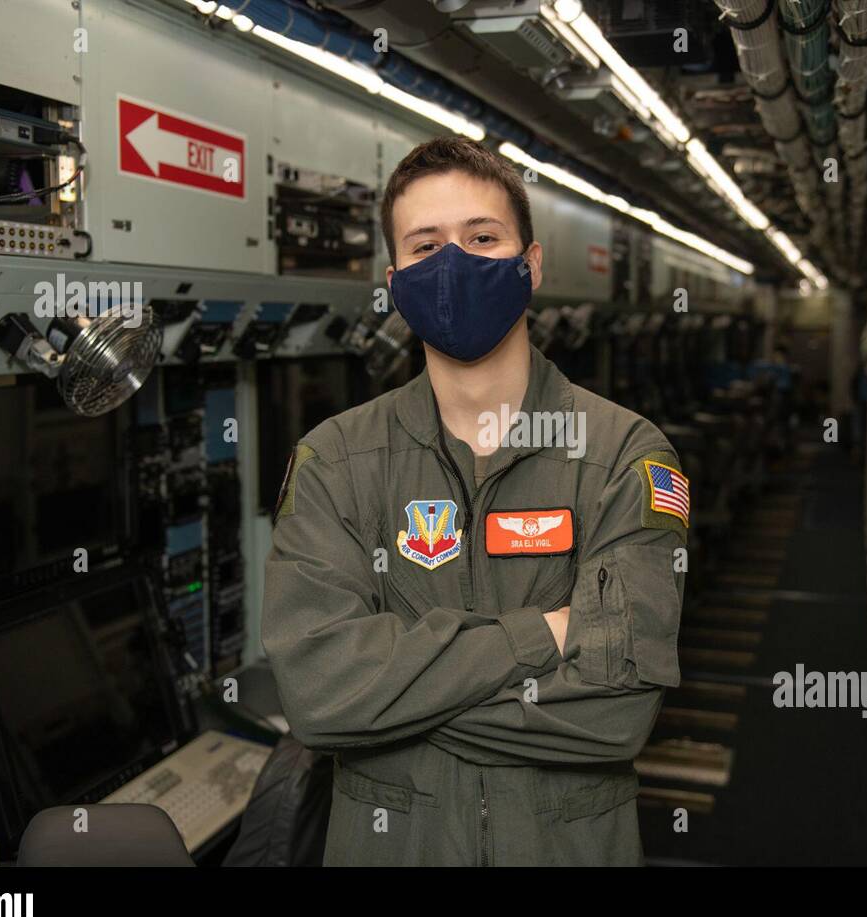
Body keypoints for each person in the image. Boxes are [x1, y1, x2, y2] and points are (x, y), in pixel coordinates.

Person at [262, 137, 689, 866]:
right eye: (427, 246)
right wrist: (544, 638)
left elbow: (618, 711)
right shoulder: (335, 461)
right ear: (395, 281)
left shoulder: (624, 455)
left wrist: (394, 697)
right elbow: (319, 697)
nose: (453, 264)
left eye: (482, 238)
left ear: (532, 263)